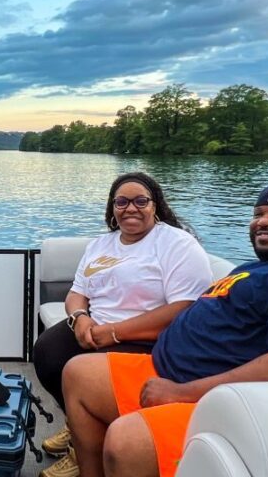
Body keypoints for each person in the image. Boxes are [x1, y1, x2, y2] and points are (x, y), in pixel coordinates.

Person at [61, 180, 268, 477]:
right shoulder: (258, 269)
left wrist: (181, 393)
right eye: (259, 214)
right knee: (79, 374)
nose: (265, 222)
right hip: (167, 368)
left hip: (222, 401)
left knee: (127, 440)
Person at [35, 172, 213, 476]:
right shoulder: (101, 244)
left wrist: (115, 333)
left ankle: (84, 449)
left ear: (155, 205)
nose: (131, 208)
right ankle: (78, 426)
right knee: (47, 352)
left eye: (140, 201)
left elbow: (185, 309)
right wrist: (80, 318)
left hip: (150, 338)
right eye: (122, 201)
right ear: (112, 208)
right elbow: (77, 292)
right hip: (96, 326)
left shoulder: (176, 244)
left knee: (83, 369)